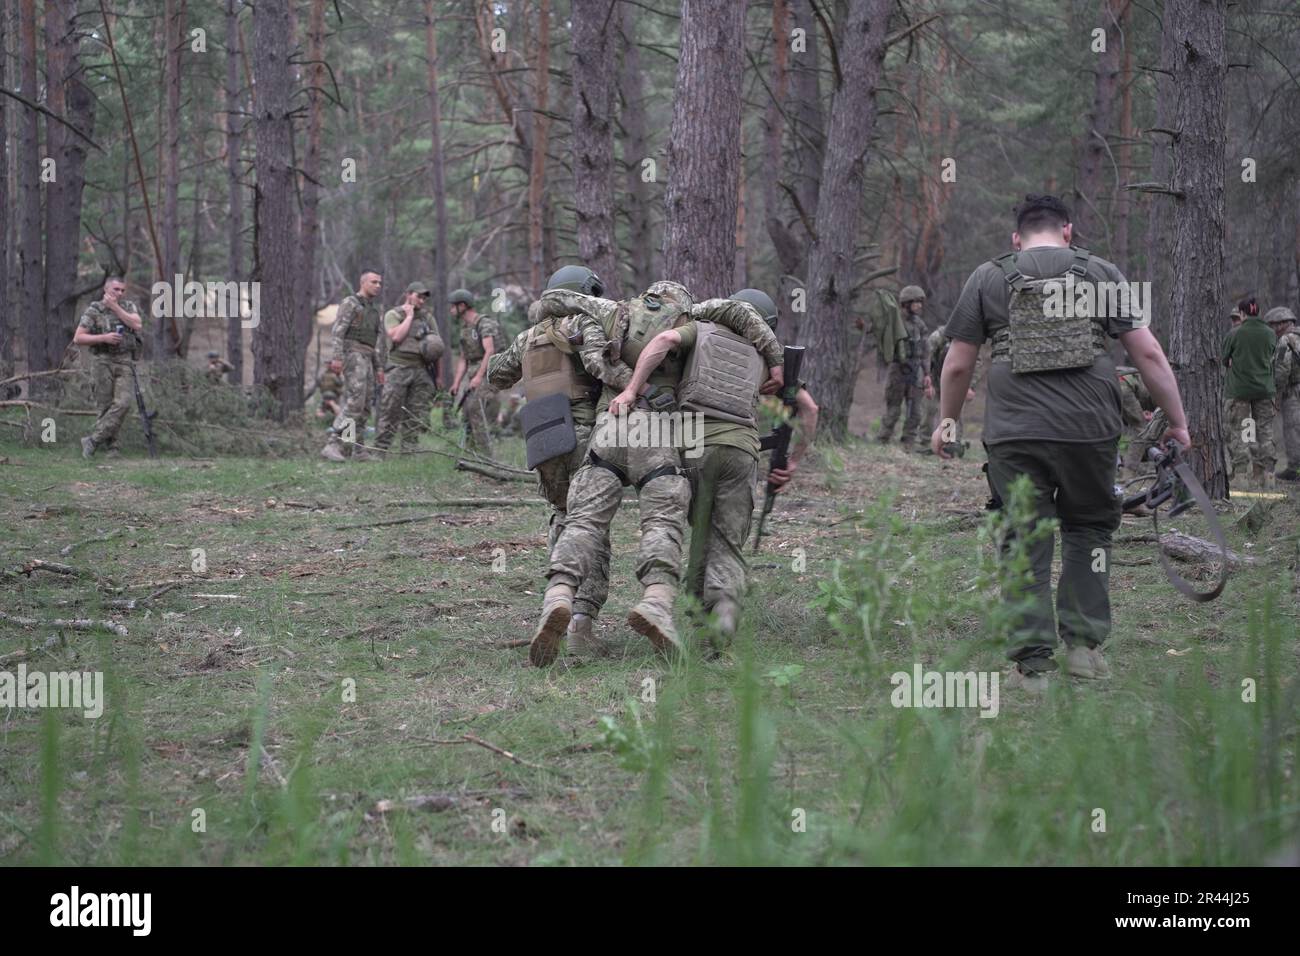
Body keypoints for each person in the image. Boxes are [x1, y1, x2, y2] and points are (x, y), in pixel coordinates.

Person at [932, 194, 1189, 691]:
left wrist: (947, 421)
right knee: (1089, 529)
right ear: (1067, 232)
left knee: (1025, 536)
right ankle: (1084, 651)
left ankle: (1032, 666)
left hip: (1014, 430)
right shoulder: (1101, 272)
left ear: (1017, 238)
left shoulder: (987, 277)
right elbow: (1149, 355)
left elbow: (959, 363)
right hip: (1089, 427)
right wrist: (1177, 422)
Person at [527, 281, 783, 666]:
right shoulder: (694, 322)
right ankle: (657, 602)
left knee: (583, 522)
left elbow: (550, 301)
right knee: (663, 521)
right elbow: (739, 316)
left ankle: (560, 596)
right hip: (655, 433)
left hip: (609, 427)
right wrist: (775, 358)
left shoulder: (613, 313)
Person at [608, 287, 817, 654]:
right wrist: (795, 461)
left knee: (701, 527)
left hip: (690, 446)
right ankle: (720, 613)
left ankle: (694, 609)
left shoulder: (697, 330)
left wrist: (630, 389)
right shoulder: (771, 358)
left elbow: (664, 339)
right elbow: (810, 410)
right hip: (739, 448)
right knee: (727, 539)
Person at [487, 265, 616, 656]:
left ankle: (556, 600)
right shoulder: (584, 328)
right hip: (581, 436)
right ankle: (580, 623)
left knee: (563, 516)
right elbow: (604, 368)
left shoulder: (529, 337)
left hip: (542, 440)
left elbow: (496, 375)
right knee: (589, 525)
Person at [74, 277, 145, 459]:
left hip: (124, 361)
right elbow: (79, 338)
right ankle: (112, 448)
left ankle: (92, 440)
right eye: (116, 289)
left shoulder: (128, 307)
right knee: (105, 406)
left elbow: (137, 324)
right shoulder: (95, 309)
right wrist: (103, 338)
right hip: (102, 360)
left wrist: (115, 307)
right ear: (106, 289)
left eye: (122, 290)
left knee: (123, 403)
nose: (119, 293)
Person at [321, 270, 386, 461]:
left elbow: (374, 343)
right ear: (363, 283)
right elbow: (338, 332)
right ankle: (333, 443)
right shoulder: (350, 303)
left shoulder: (373, 311)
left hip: (367, 358)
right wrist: (337, 357)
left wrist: (379, 367)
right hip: (353, 356)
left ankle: (356, 449)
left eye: (380, 283)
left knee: (365, 405)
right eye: (374, 282)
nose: (378, 286)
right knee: (355, 401)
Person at [375, 281, 443, 453]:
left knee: (415, 414)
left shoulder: (428, 318)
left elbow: (436, 347)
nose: (421, 301)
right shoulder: (394, 314)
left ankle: (409, 451)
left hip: (421, 370)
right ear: (409, 294)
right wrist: (410, 316)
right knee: (390, 411)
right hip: (398, 368)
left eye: (424, 298)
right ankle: (380, 450)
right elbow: (396, 337)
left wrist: (438, 376)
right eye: (418, 296)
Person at [1222, 295, 1279, 488]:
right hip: (1265, 390)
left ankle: (1241, 476)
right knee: (1265, 432)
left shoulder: (1235, 334)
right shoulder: (1270, 333)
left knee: (1241, 431)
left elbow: (1224, 359)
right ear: (1259, 311)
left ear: (1241, 313)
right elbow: (1273, 358)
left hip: (1240, 391)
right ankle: (1268, 475)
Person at [447, 288, 499, 454]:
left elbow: (490, 351)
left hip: (487, 372)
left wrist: (478, 377)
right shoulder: (465, 327)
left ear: (462, 305)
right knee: (467, 414)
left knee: (477, 413)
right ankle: (470, 455)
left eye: (453, 306)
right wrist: (456, 383)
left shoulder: (484, 323)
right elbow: (463, 358)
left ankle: (486, 458)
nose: (451, 310)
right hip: (472, 372)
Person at [877, 285, 928, 446]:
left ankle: (908, 443)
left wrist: (927, 373)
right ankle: (883, 440)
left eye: (921, 302)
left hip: (916, 370)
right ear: (907, 303)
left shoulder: (920, 324)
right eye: (917, 302)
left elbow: (926, 351)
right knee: (894, 410)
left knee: (915, 412)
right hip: (898, 370)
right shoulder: (894, 321)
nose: (920, 306)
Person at [918, 327, 981, 451]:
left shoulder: (968, 338)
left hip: (956, 383)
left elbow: (975, 363)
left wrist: (970, 386)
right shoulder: (939, 336)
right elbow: (926, 358)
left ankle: (948, 444)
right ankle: (924, 443)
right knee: (929, 409)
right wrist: (927, 383)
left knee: (952, 413)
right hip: (935, 380)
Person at [1267, 306, 1300, 482]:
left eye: (1273, 325)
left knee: (1293, 430)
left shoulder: (1285, 341)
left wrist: (1277, 397)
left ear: (1283, 324)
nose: (1272, 329)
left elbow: (1281, 371)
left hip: (1293, 391)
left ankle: (1295, 469)